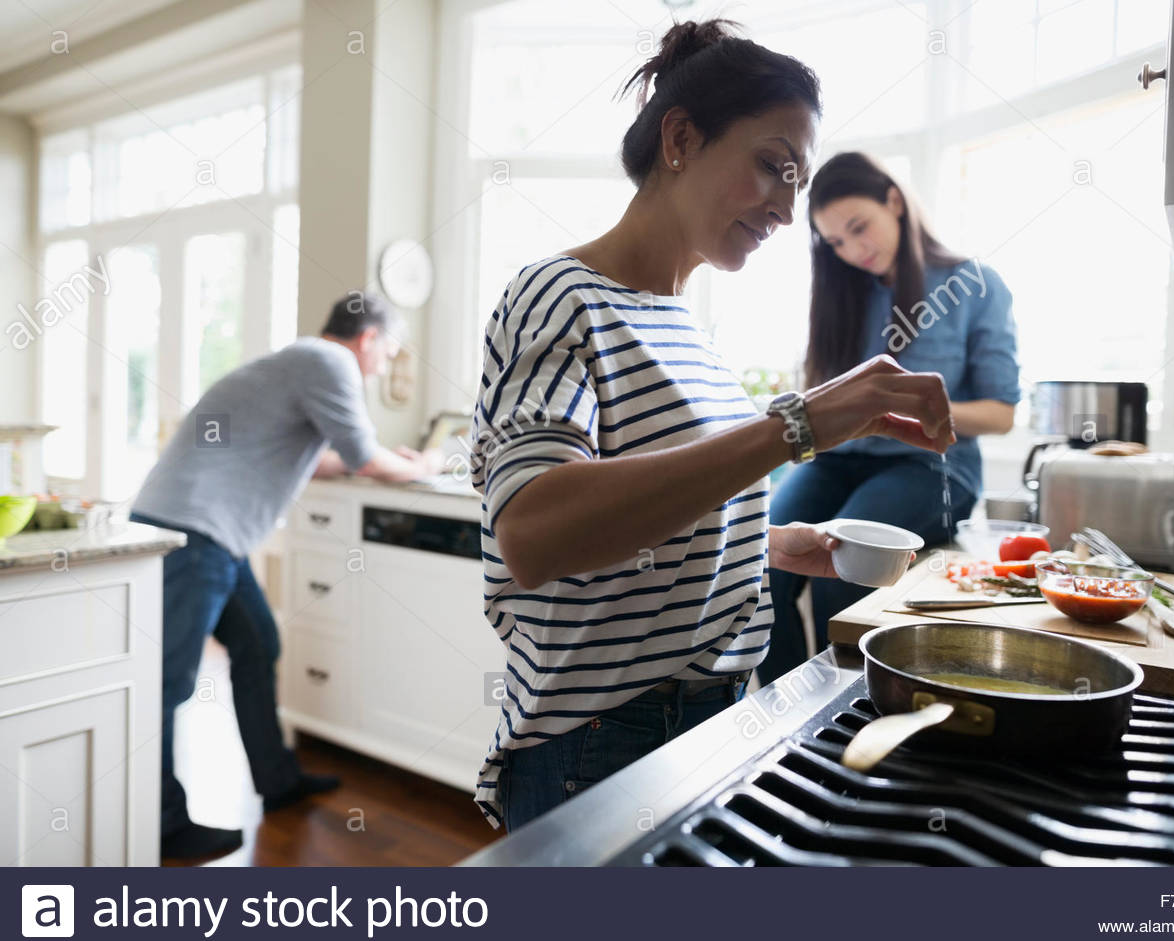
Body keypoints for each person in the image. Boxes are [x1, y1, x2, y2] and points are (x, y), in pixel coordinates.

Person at [468, 20, 956, 832]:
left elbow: (650, 522)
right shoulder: (561, 296)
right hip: (605, 741)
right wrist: (797, 426)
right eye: (773, 165)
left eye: (797, 182)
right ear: (682, 138)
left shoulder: (685, 327)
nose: (785, 207)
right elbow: (535, 532)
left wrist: (770, 542)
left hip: (713, 715)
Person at [132, 291, 441, 860]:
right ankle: (160, 822)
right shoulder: (329, 363)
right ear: (368, 338)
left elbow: (323, 455)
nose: (378, 367)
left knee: (257, 643)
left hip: (210, 533)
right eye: (385, 351)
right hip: (191, 533)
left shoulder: (297, 363)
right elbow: (367, 457)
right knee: (168, 680)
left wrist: (382, 460)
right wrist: (424, 465)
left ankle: (276, 781)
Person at [756, 152, 1021, 686]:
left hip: (929, 465)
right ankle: (787, 710)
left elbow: (1002, 415)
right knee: (764, 565)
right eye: (836, 243)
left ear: (894, 202)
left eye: (859, 229)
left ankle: (843, 710)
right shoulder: (841, 293)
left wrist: (898, 408)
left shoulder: (975, 284)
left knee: (847, 570)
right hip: (842, 460)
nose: (854, 251)